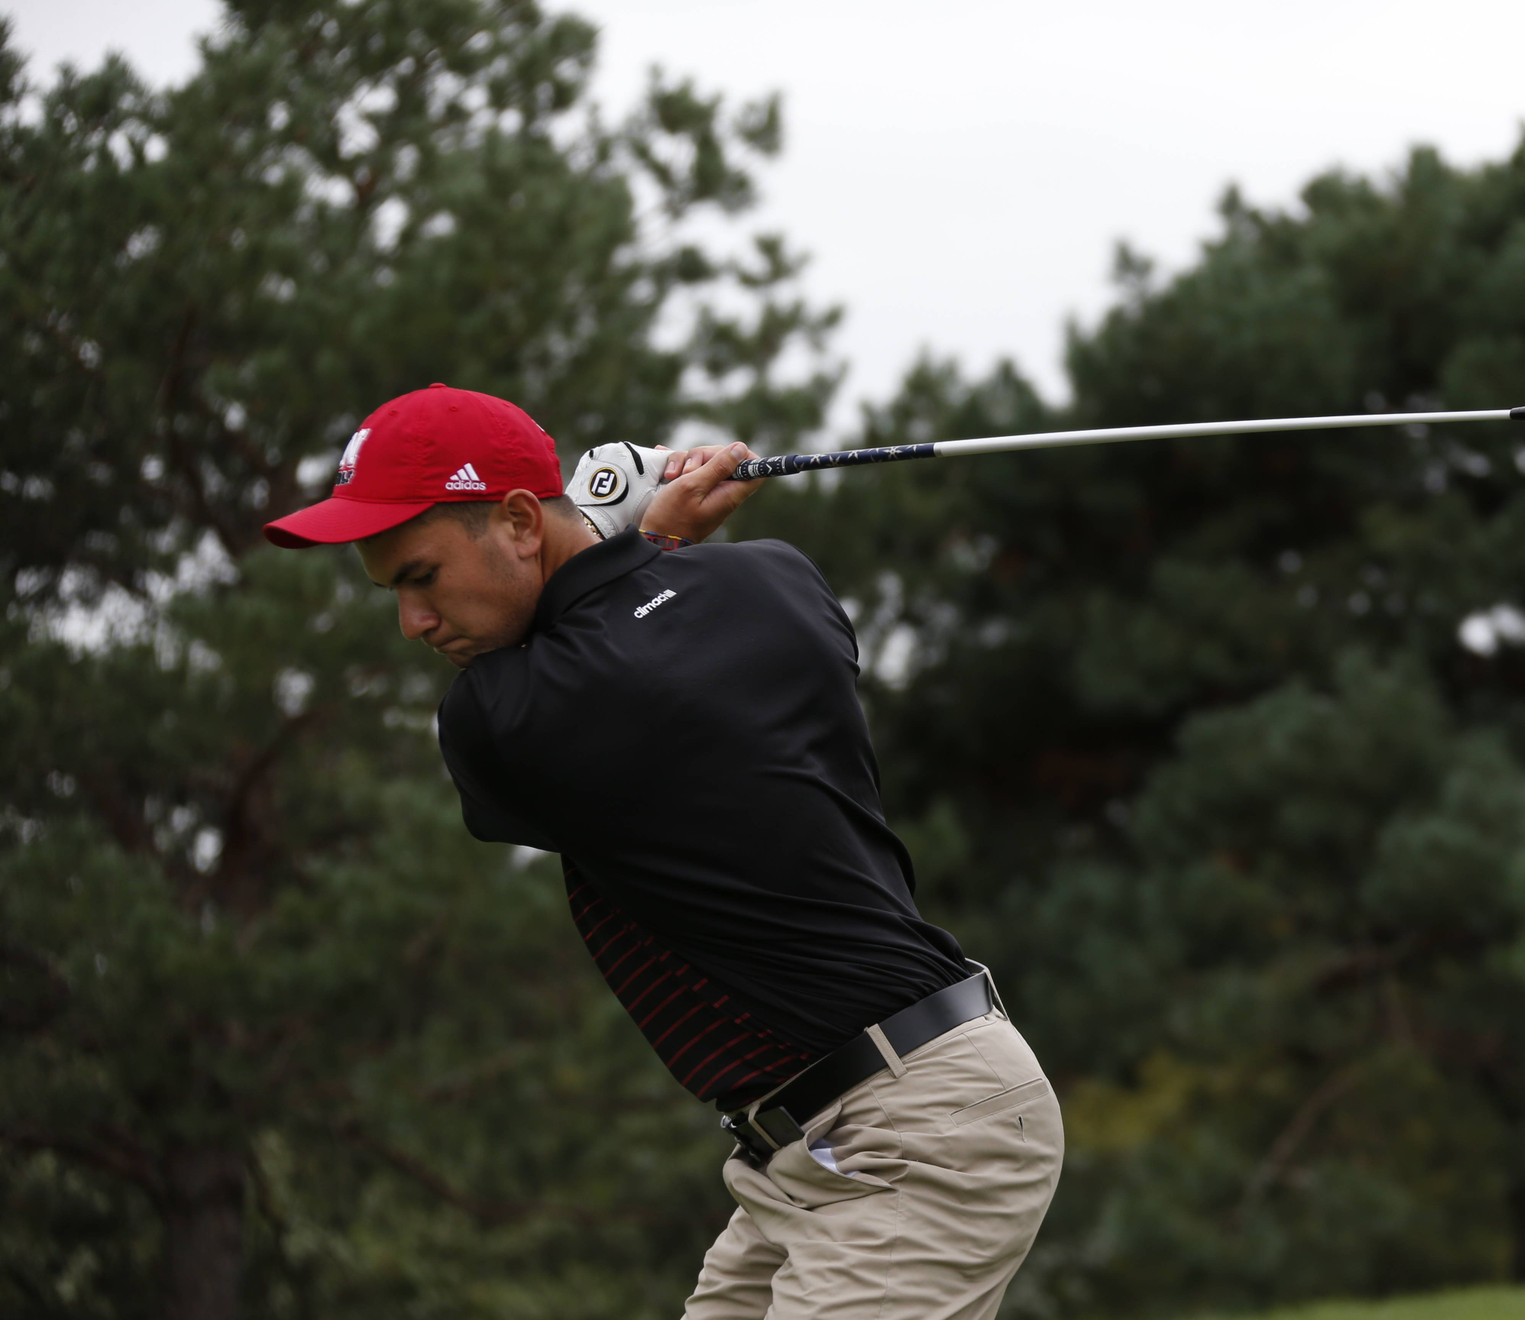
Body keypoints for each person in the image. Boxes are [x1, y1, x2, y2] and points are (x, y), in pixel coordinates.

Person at [264, 383, 1064, 1319]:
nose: (413, 624)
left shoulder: (499, 719)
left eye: (419, 578)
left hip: (911, 1136)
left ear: (521, 519)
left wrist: (635, 536)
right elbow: (654, 634)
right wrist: (640, 548)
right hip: (823, 1142)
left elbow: (609, 650)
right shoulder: (779, 580)